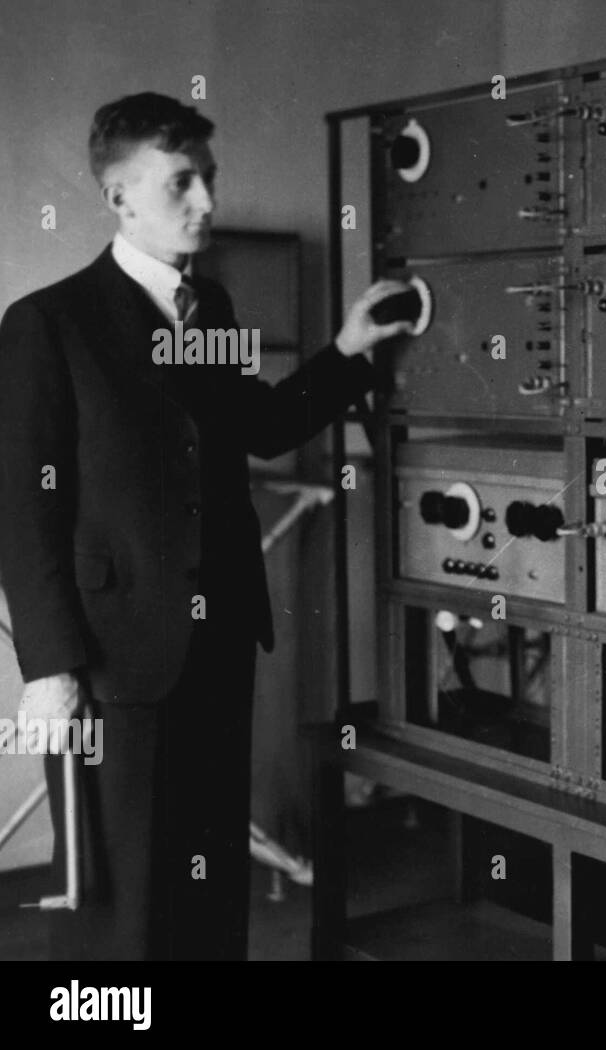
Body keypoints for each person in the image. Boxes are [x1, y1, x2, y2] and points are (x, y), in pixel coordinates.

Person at [0, 92, 413, 960]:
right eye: (182, 181)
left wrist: (345, 352)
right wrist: (49, 671)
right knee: (121, 909)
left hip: (216, 644)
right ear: (119, 197)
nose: (207, 201)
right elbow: (23, 508)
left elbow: (256, 425)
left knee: (208, 882)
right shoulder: (48, 324)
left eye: (209, 180)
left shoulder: (209, 311)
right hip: (112, 664)